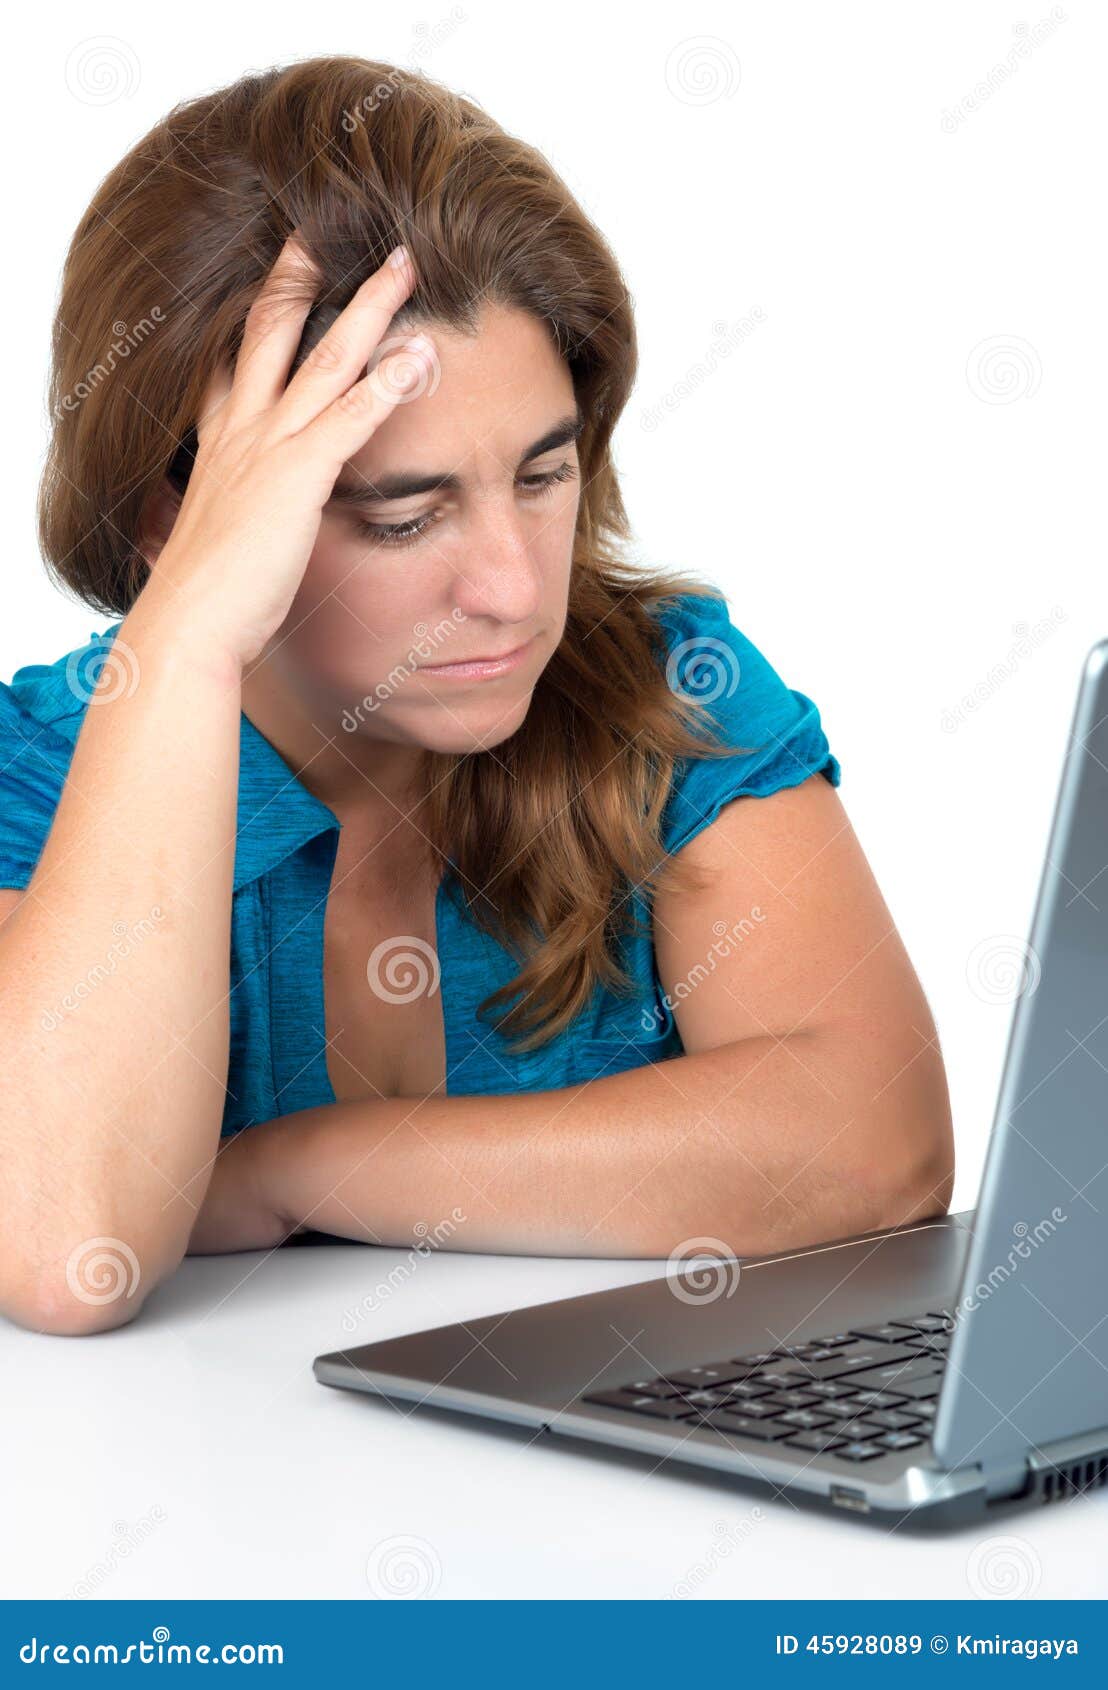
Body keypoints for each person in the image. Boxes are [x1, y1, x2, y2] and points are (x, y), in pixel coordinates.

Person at [0, 56, 953, 1336]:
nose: (513, 591)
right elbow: (66, 1250)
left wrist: (299, 1168)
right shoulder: (36, 779)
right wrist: (181, 642)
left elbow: (875, 1144)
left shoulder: (665, 687)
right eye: (403, 515)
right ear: (180, 518)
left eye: (543, 475)